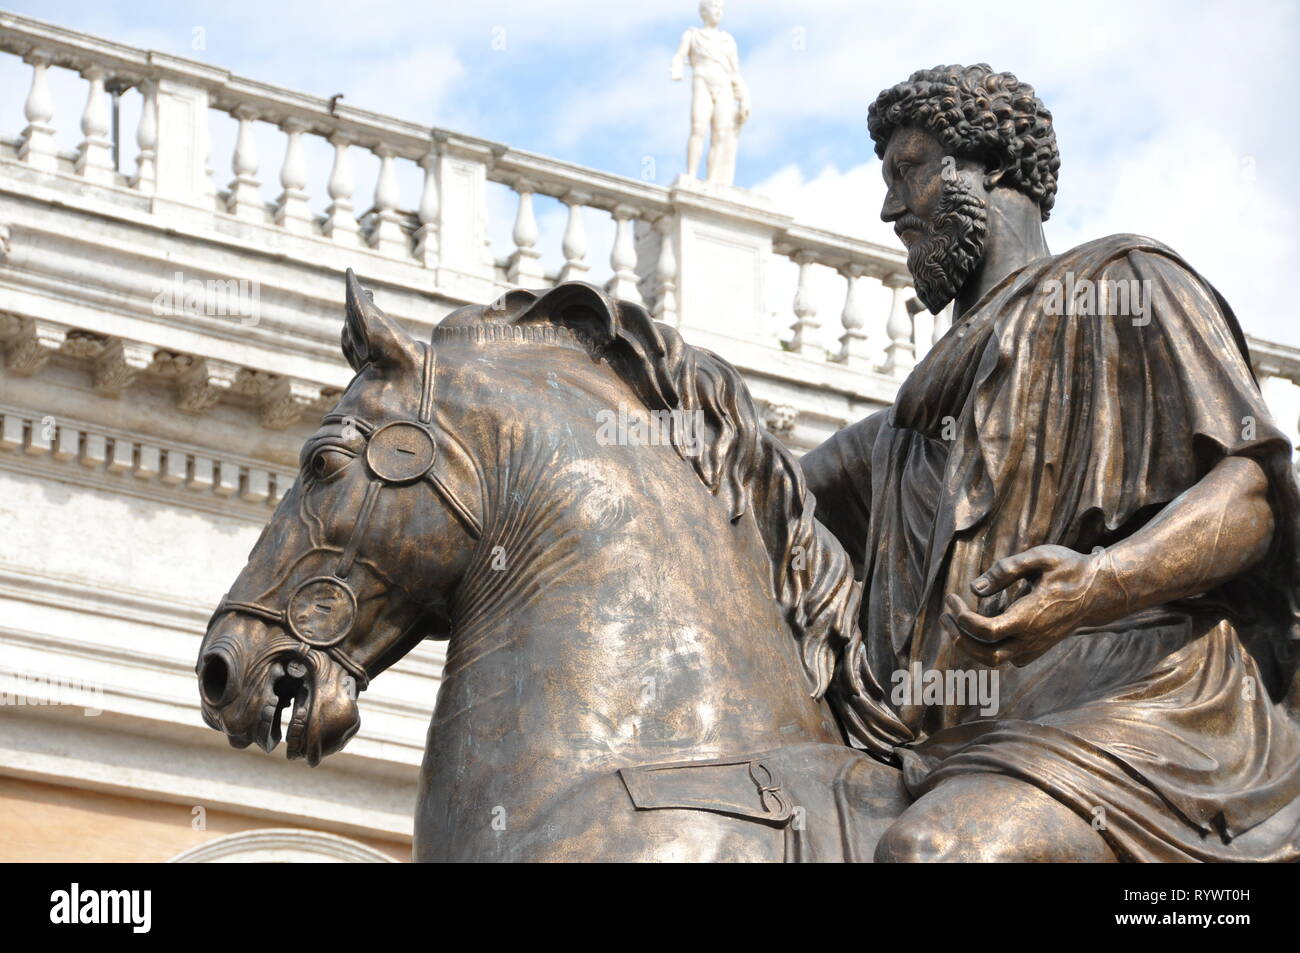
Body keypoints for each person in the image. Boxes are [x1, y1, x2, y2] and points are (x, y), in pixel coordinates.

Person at [808, 63, 1300, 861]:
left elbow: (1252, 499)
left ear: (991, 165)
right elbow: (762, 492)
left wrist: (1098, 583)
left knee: (942, 852)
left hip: (1144, 691)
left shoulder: (1124, 284)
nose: (890, 208)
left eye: (910, 172)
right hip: (965, 726)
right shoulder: (904, 427)